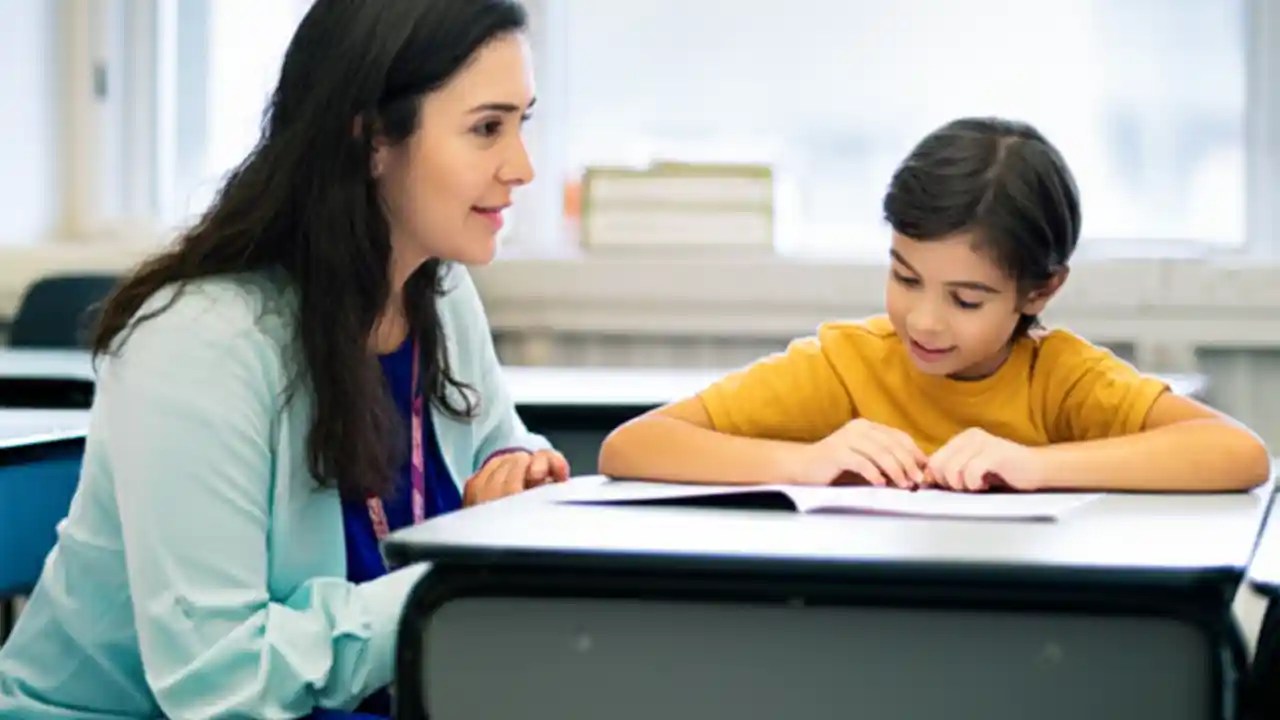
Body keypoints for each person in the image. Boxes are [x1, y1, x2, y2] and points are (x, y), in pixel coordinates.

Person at [0, 1, 567, 717]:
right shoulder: (203, 342)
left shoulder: (438, 289)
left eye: (522, 123)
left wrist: (521, 473)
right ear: (371, 138)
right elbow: (219, 680)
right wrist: (449, 587)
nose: (523, 167)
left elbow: (495, 450)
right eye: (487, 128)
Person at [599, 117, 1270, 494]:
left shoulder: (1060, 379)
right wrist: (803, 462)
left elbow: (1238, 453)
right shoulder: (847, 365)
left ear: (1039, 291)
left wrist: (1036, 465)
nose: (923, 319)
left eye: (966, 299)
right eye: (905, 276)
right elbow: (632, 447)